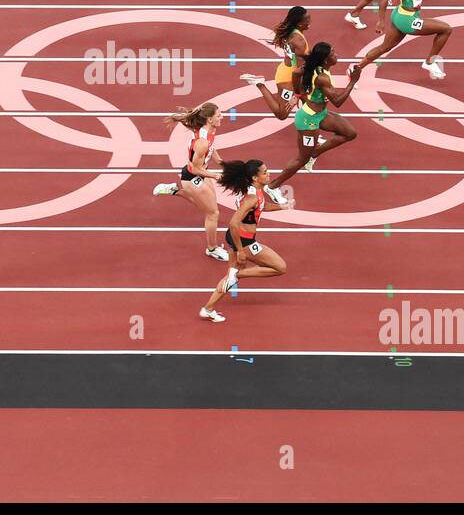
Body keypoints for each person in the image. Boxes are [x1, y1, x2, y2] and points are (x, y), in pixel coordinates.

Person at [198, 159, 290, 323]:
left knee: (229, 276)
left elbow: (262, 206)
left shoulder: (256, 191)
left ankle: (208, 309)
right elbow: (234, 222)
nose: (269, 174)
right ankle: (238, 274)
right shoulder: (251, 198)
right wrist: (240, 250)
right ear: (255, 178)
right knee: (280, 267)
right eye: (265, 172)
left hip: (236, 237)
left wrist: (282, 207)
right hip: (244, 240)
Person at [268, 42, 359, 193]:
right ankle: (272, 186)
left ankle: (314, 153)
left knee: (350, 133)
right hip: (308, 120)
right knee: (301, 159)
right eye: (332, 54)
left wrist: (299, 94)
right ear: (324, 60)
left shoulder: (314, 67)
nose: (336, 55)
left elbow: (296, 74)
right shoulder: (322, 77)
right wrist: (353, 81)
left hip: (320, 114)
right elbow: (337, 102)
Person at [355, 0, 457, 80]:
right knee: (446, 29)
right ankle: (429, 62)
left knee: (384, 48)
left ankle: (356, 68)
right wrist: (380, 21)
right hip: (407, 20)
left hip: (399, 14)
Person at [153, 102, 231, 260]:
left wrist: (222, 163)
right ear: (209, 119)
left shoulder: (210, 131)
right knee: (212, 213)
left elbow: (212, 148)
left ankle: (174, 190)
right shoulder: (201, 142)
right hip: (193, 176)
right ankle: (212, 249)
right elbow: (195, 169)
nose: (222, 117)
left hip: (199, 173)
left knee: (208, 205)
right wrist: (215, 175)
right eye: (218, 115)